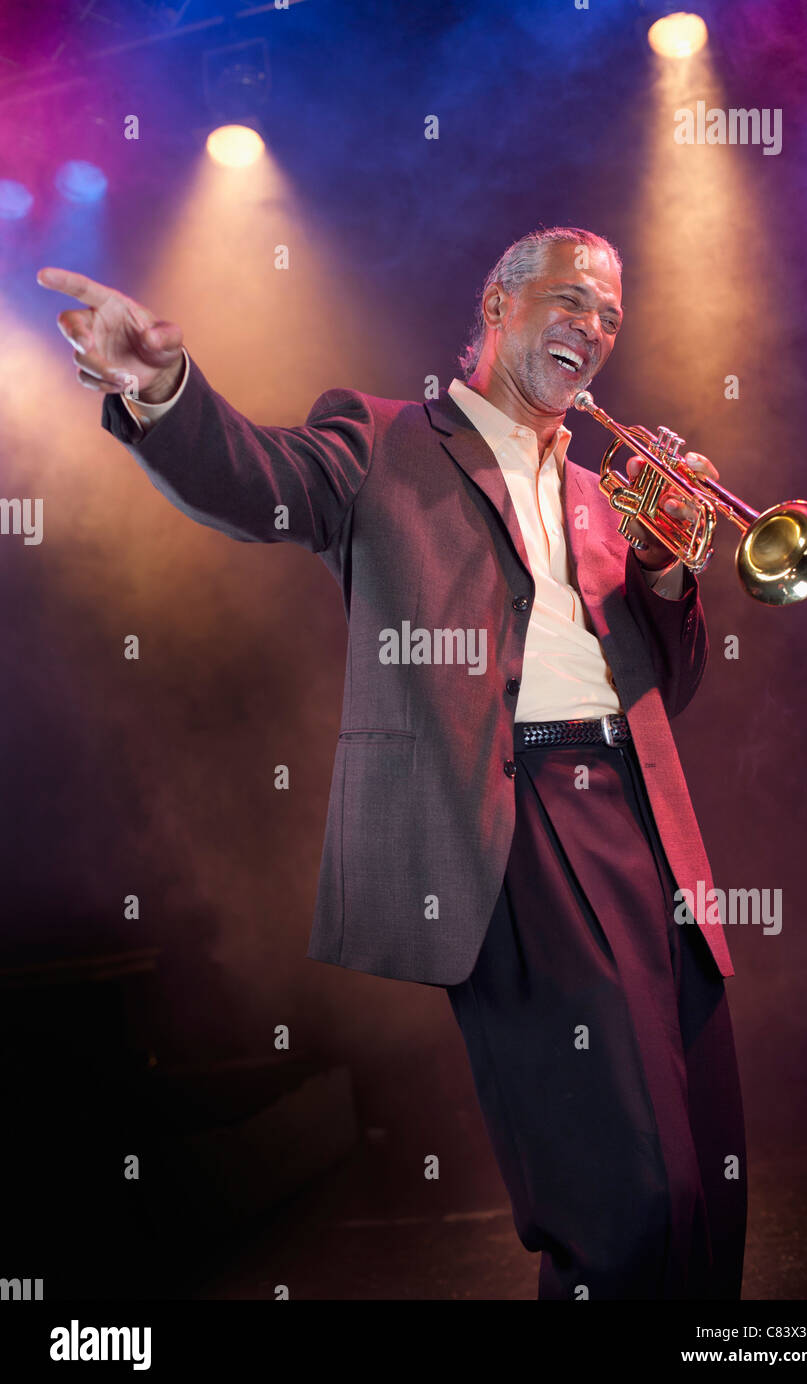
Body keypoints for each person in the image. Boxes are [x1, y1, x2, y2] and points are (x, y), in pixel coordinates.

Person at [37, 225, 747, 1300]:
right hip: (521, 823)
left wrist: (659, 572)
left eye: (608, 313)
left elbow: (665, 692)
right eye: (569, 299)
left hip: (650, 833)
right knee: (629, 1205)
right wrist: (166, 392)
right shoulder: (382, 440)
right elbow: (255, 478)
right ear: (497, 305)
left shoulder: (609, 499)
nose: (593, 327)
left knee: (706, 1197)